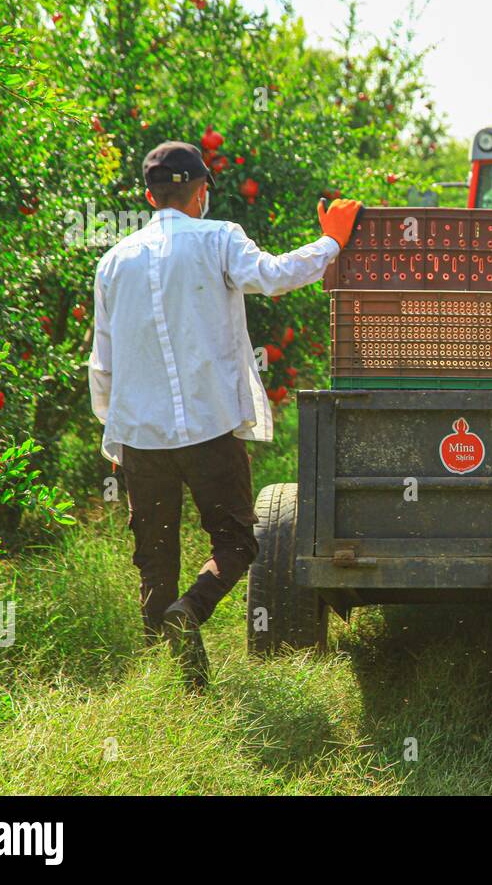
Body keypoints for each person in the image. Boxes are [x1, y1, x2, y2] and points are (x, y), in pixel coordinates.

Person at [88, 140, 361, 689]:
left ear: (149, 195)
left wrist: (113, 437)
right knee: (237, 542)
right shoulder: (219, 239)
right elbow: (275, 275)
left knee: (154, 559)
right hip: (209, 429)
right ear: (201, 192)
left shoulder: (113, 261)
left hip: (141, 436)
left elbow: (103, 364)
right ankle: (192, 609)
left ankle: (181, 687)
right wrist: (331, 240)